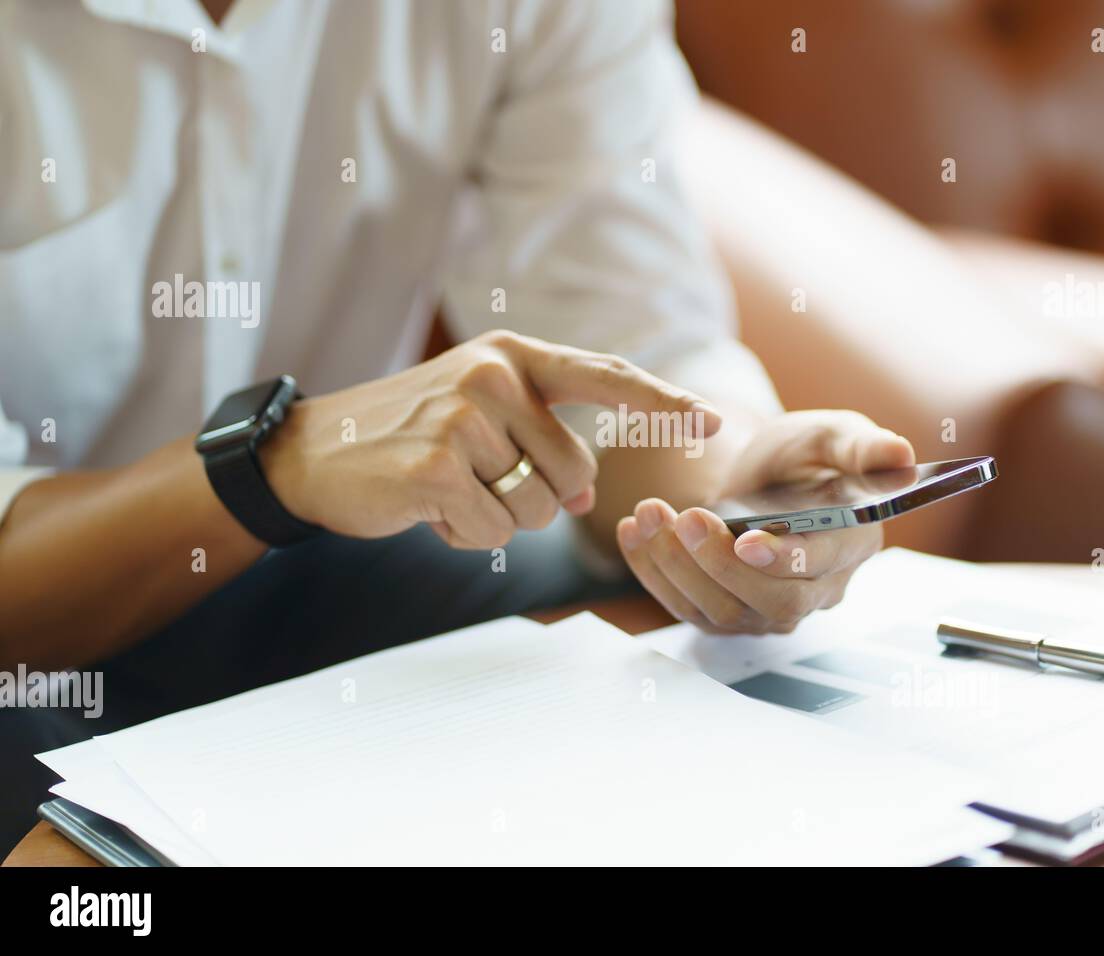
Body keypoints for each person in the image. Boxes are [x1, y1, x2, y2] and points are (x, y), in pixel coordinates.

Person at [0, 0, 913, 853]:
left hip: (316, 562)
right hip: (37, 609)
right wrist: (274, 462)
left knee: (623, 646)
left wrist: (744, 493)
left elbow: (627, 344)